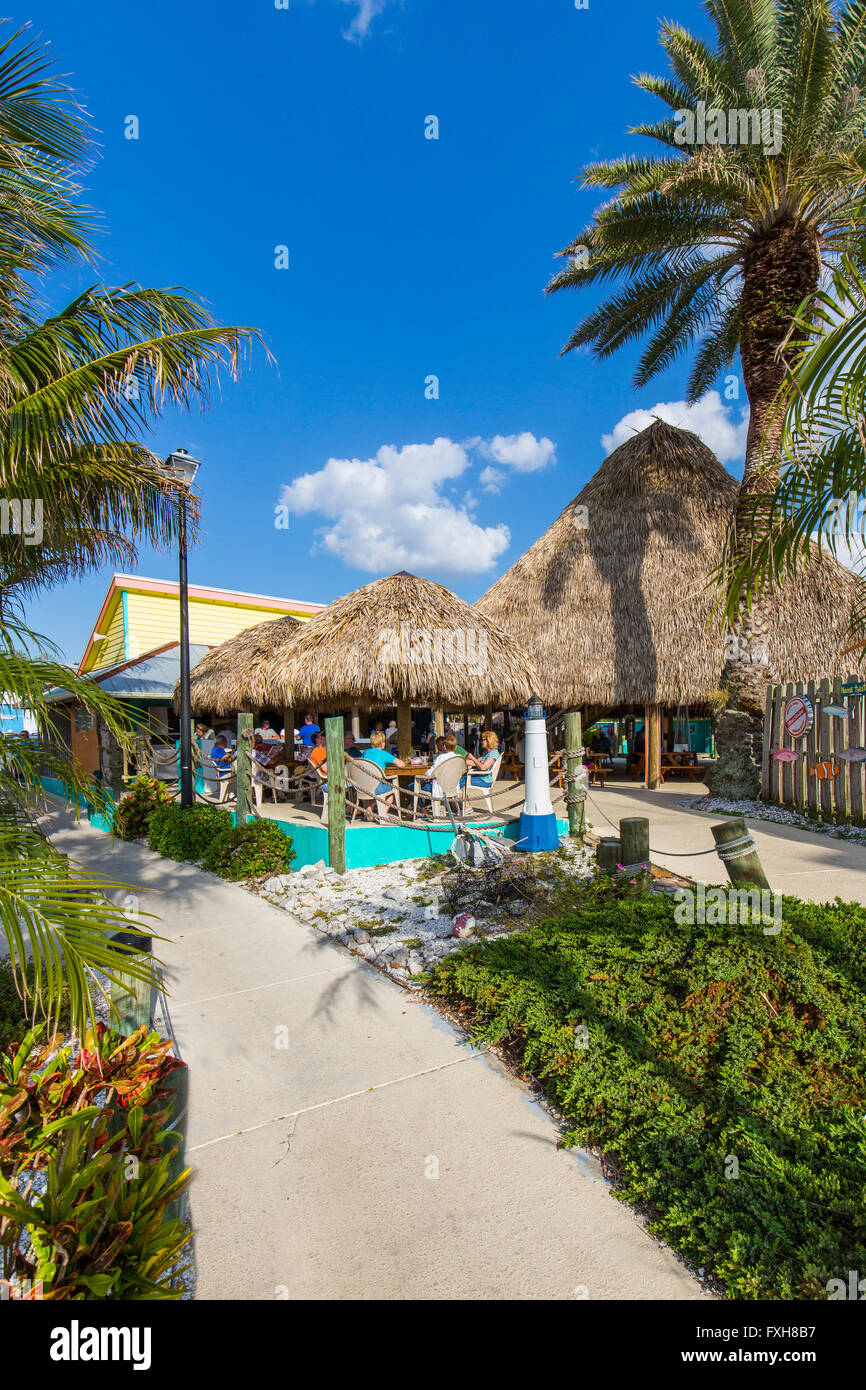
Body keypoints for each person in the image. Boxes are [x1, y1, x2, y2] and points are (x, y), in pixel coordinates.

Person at [363, 729, 404, 815]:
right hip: (376, 786)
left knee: (378, 788)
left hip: (363, 786)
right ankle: (383, 814)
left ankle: (370, 807)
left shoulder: (366, 752)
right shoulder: (383, 753)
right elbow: (401, 764)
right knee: (391, 791)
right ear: (382, 743)